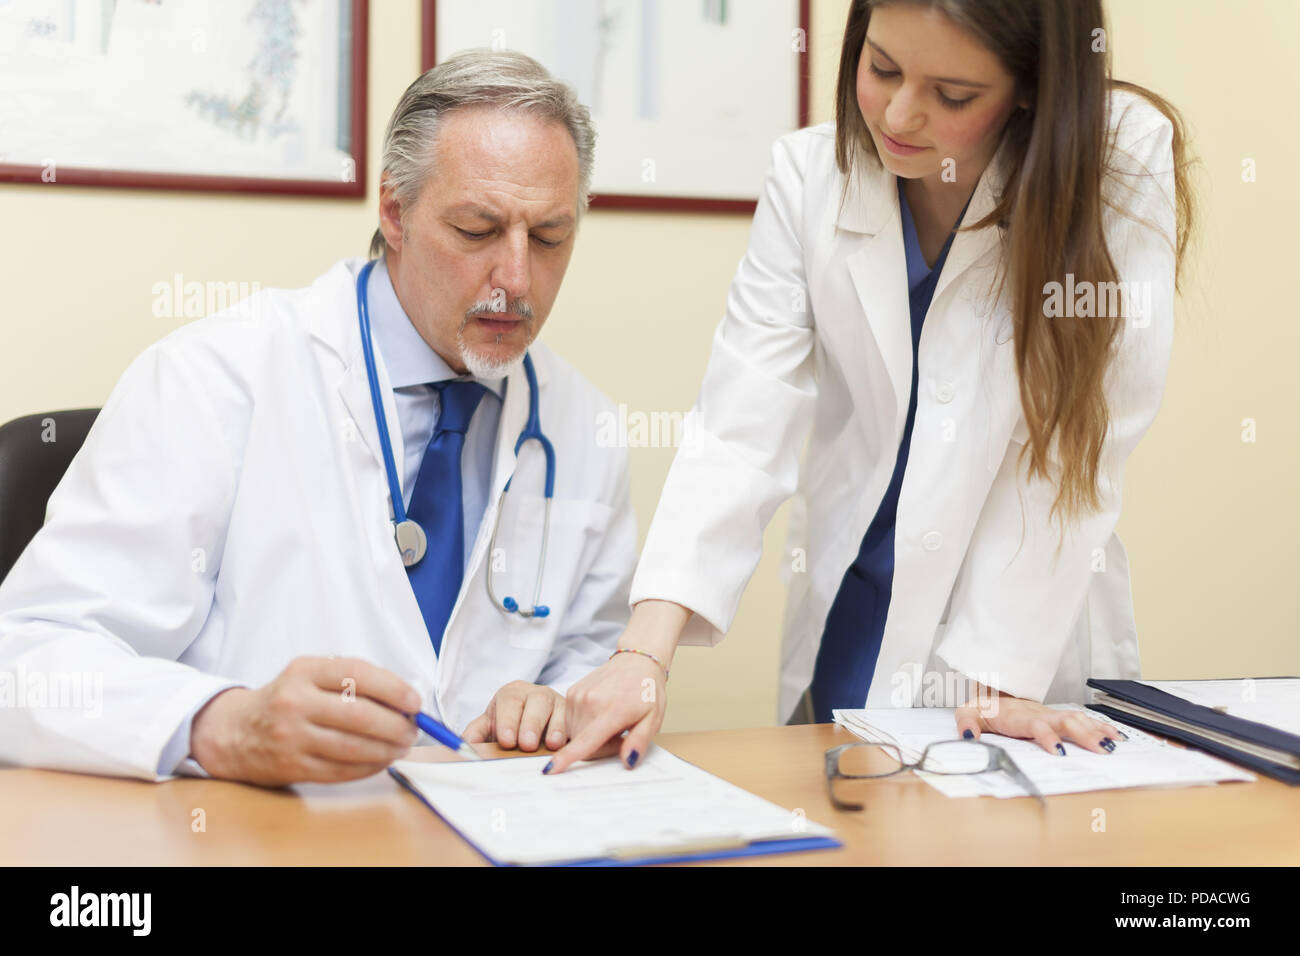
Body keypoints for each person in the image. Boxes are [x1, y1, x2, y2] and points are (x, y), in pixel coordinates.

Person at [546, 0, 1195, 774]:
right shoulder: (809, 176)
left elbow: (1079, 440)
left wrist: (998, 680)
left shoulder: (1118, 161)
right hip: (858, 604)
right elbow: (739, 426)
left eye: (953, 95)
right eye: (880, 67)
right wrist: (642, 656)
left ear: (1032, 87)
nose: (899, 112)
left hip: (1021, 627)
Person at [0, 50, 637, 785]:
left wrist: (557, 702)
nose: (517, 279)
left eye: (550, 238)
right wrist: (221, 724)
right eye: (477, 229)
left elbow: (597, 656)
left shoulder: (583, 426)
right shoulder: (215, 379)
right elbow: (28, 659)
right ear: (394, 212)